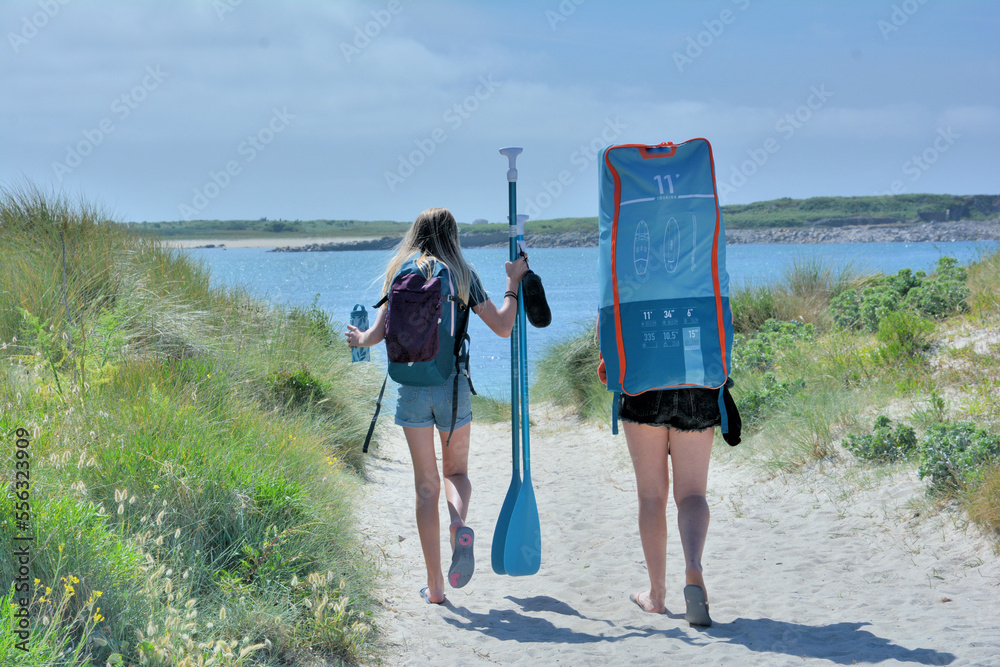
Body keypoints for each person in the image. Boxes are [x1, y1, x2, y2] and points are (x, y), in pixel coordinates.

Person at [346, 207, 528, 605]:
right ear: (453, 236)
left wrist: (357, 338)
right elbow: (503, 325)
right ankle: (458, 522)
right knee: (456, 473)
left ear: (416, 234)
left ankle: (435, 588)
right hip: (453, 386)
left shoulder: (399, 273)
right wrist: (513, 284)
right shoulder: (462, 274)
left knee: (425, 485)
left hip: (411, 387)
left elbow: (374, 337)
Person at [598, 358, 719, 627]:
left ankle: (656, 594)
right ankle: (693, 566)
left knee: (651, 495)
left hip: (641, 383)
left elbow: (606, 328)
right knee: (692, 494)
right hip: (698, 381)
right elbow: (724, 322)